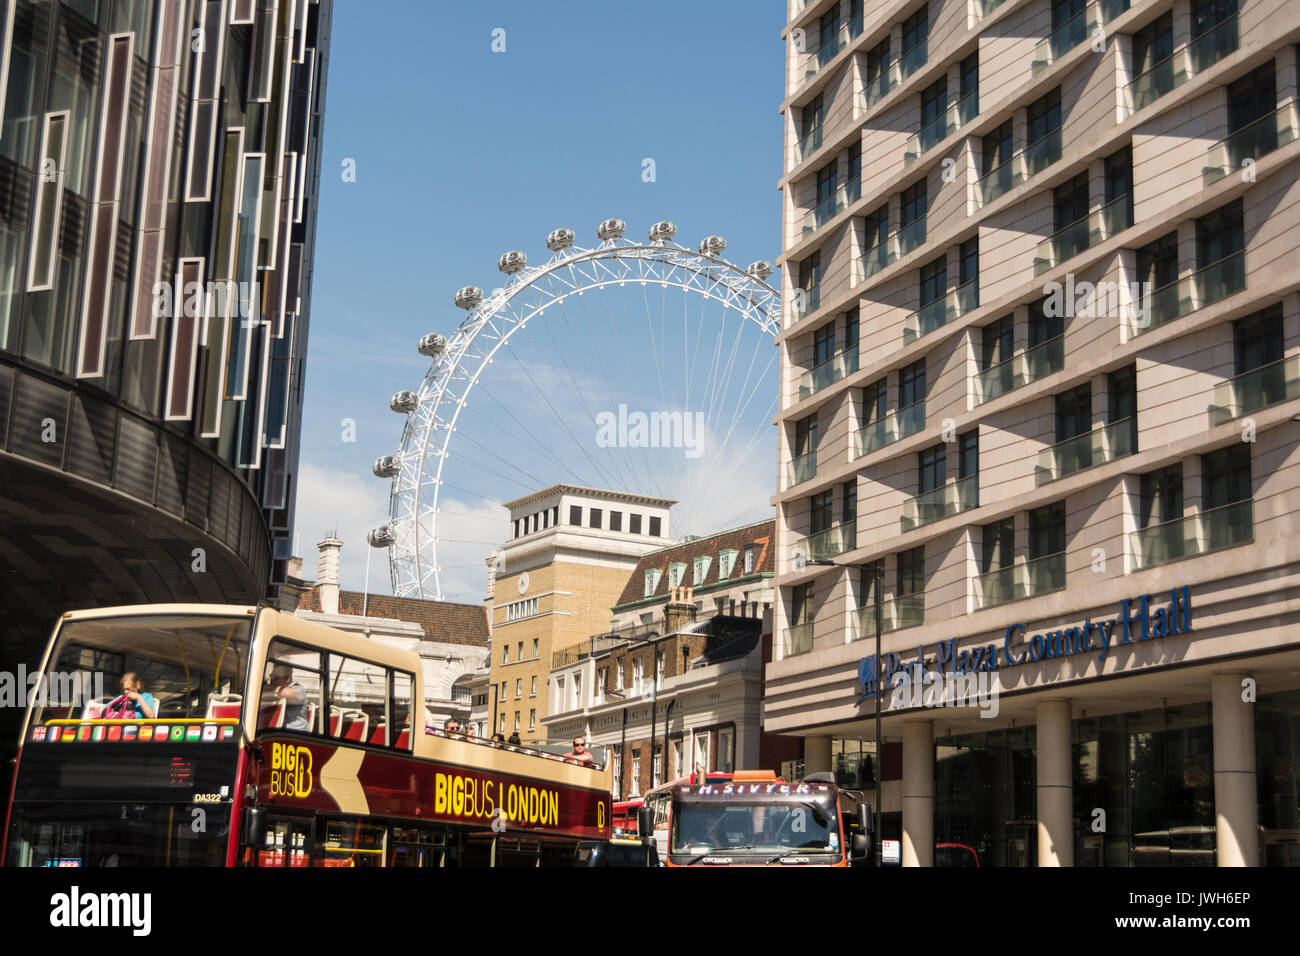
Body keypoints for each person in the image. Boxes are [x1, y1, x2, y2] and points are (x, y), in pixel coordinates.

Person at [267, 664, 309, 731]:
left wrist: (271, 689)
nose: (271, 680)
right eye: (271, 677)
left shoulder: (299, 690)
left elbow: (285, 693)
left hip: (296, 735)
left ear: (287, 678)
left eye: (275, 678)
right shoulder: (274, 691)